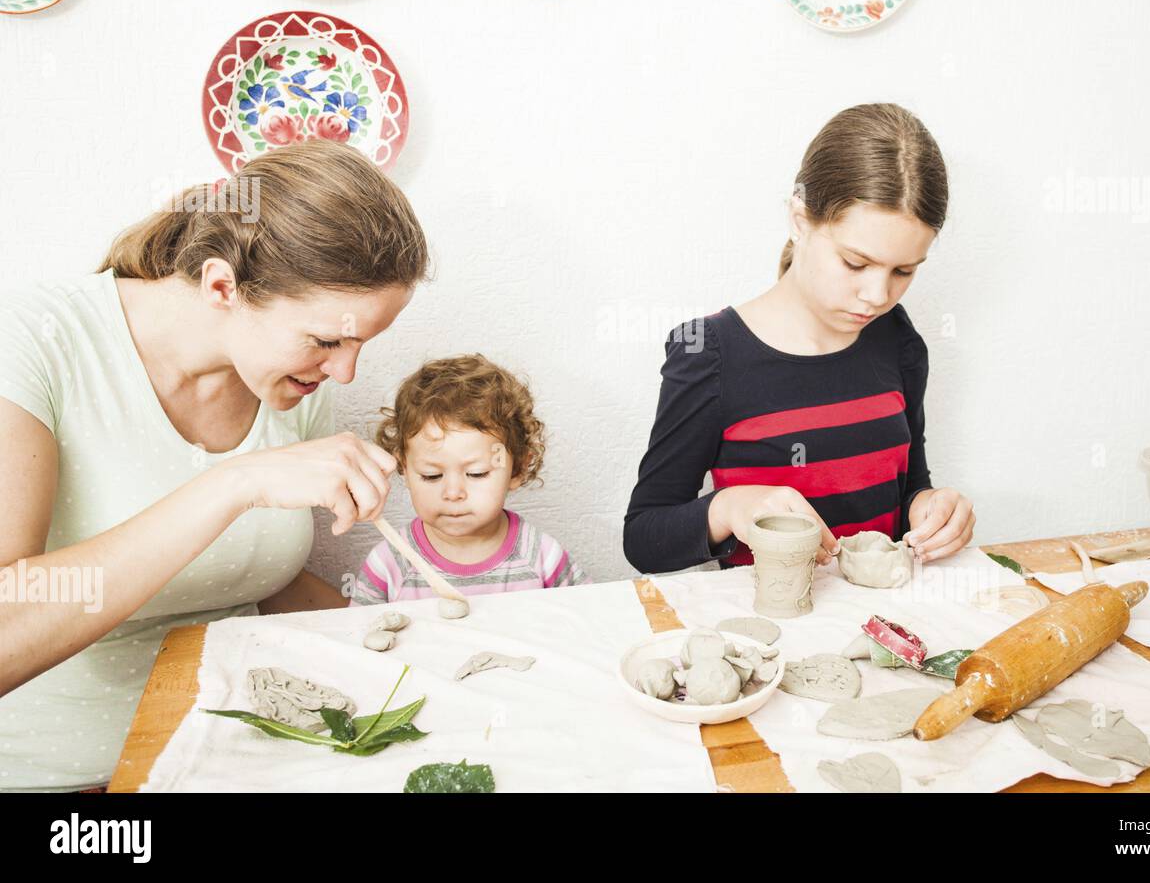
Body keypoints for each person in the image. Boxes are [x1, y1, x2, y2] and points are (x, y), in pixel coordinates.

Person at [0, 140, 428, 790]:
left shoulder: (289, 380)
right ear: (222, 284)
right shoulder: (33, 342)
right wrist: (236, 483)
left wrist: (406, 634)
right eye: (326, 340)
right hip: (67, 780)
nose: (345, 371)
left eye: (361, 344)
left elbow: (250, 574)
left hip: (237, 761)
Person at [624, 104, 975, 574]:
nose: (876, 296)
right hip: (773, 635)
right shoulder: (708, 353)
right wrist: (729, 507)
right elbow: (644, 537)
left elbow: (910, 484)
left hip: (876, 626)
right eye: (855, 262)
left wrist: (931, 507)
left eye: (903, 271)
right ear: (800, 218)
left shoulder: (897, 340)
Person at [351, 354, 587, 602]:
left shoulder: (541, 557)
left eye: (477, 473)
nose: (453, 493)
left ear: (517, 468)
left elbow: (592, 618)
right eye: (431, 476)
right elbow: (354, 636)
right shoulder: (391, 563)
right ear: (404, 469)